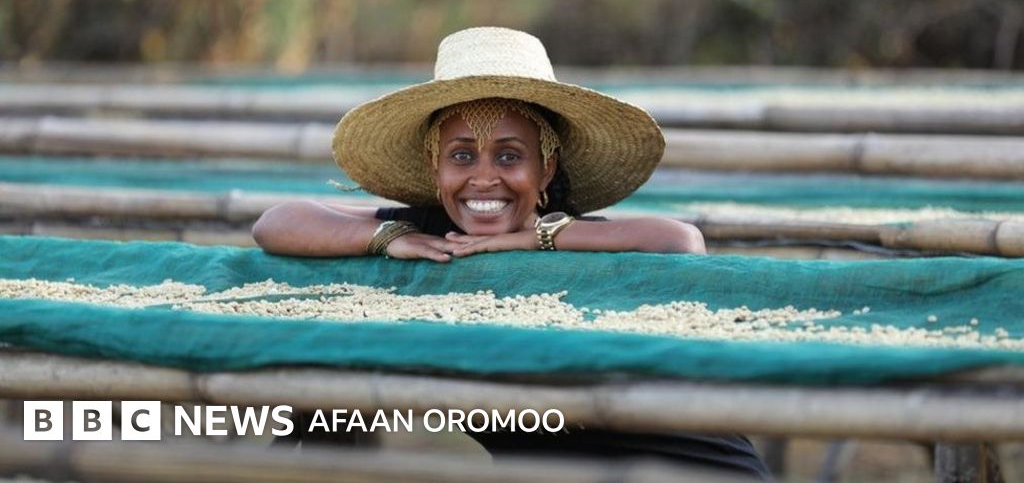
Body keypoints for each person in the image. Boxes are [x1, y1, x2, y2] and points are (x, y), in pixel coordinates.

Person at [253, 27, 772, 480]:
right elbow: (276, 222)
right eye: (461, 156)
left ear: (546, 170)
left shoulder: (575, 236)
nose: (484, 177)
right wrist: (388, 238)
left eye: (509, 156)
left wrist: (532, 239)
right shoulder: (431, 231)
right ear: (435, 169)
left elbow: (682, 242)